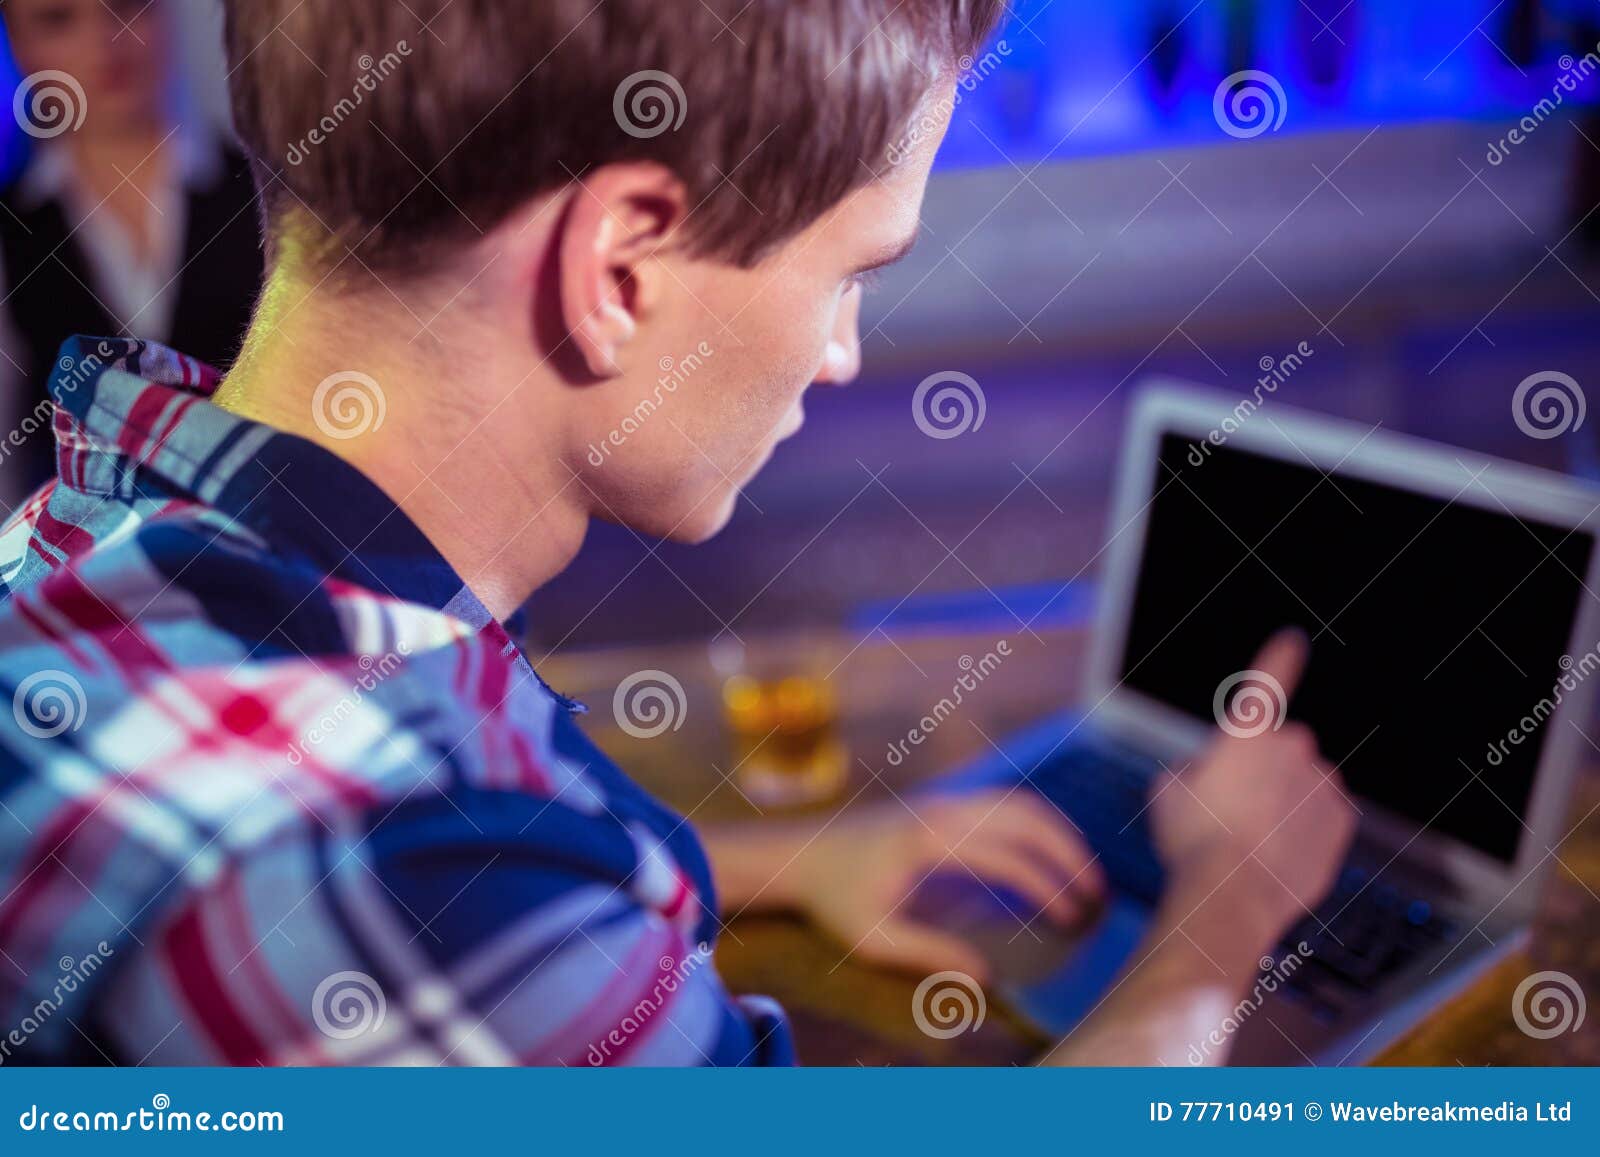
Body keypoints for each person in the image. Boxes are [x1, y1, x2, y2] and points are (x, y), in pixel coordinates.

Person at [0, 0, 1355, 1066]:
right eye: (850, 271)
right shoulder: (402, 865)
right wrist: (1225, 912)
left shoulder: (108, 534)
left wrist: (788, 859)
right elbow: (450, 892)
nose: (840, 353)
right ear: (618, 269)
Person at [0, 0, 262, 506]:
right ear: (14, 41)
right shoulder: (11, 234)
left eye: (127, 6)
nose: (106, 42)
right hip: (74, 577)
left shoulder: (270, 197)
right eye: (58, 19)